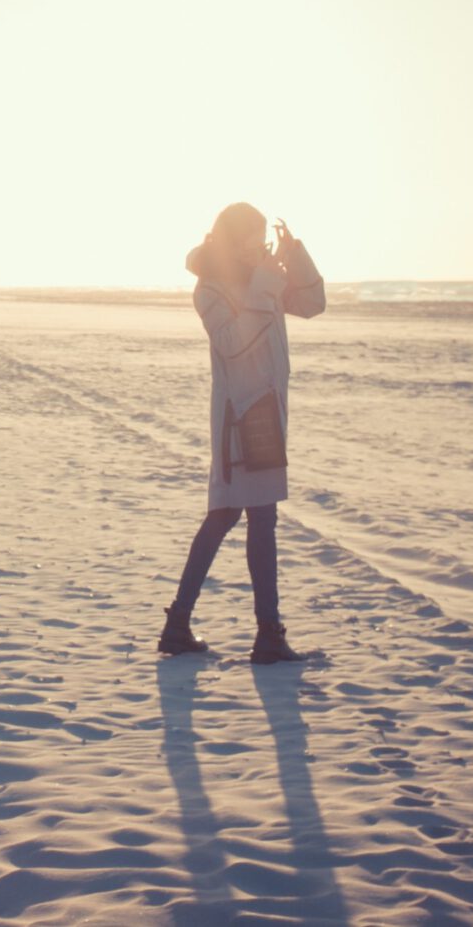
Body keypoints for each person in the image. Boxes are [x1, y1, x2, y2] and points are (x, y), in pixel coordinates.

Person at [160, 202, 324, 663]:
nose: (261, 249)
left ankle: (185, 625)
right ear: (233, 243)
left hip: (268, 413)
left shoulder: (262, 279)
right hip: (240, 421)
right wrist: (263, 286)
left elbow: (313, 304)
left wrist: (296, 257)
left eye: (265, 241)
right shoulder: (210, 290)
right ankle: (263, 634)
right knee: (240, 517)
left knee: (241, 517)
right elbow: (233, 345)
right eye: (253, 242)